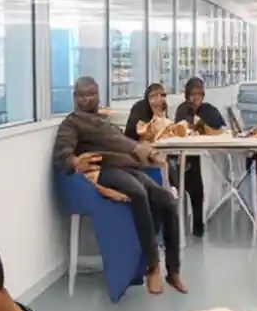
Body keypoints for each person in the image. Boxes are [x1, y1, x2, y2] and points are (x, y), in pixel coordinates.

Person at [53, 77, 185, 294]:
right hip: (104, 170)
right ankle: (152, 266)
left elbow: (122, 143)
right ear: (74, 98)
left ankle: (174, 271)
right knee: (138, 193)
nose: (86, 99)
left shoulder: (104, 121)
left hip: (127, 168)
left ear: (98, 95)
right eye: (81, 95)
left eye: (91, 94)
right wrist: (75, 162)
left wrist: (146, 153)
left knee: (167, 199)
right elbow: (62, 156)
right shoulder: (72, 123)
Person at [173, 77, 228, 236]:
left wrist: (203, 126)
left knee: (200, 186)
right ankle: (195, 224)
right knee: (194, 185)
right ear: (187, 95)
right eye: (193, 94)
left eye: (200, 94)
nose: (196, 97)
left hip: (209, 154)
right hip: (189, 155)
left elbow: (221, 130)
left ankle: (199, 223)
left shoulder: (208, 110)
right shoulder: (183, 109)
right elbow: (181, 130)